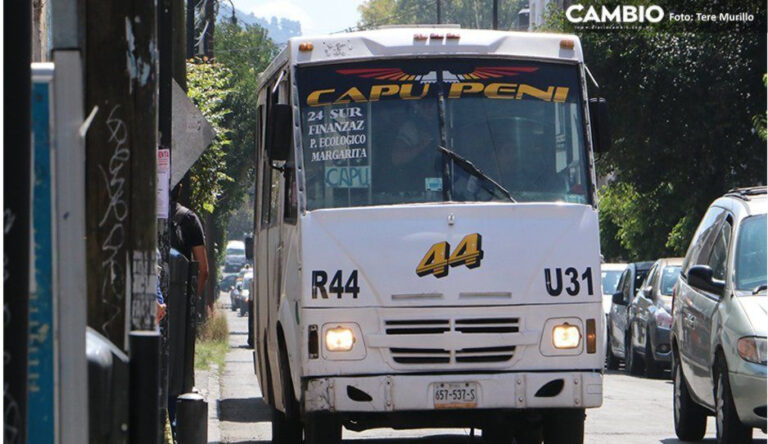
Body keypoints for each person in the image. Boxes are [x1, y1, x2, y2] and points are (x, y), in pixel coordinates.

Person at [167, 182, 209, 438]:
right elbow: (203, 269)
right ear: (180, 187)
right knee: (180, 372)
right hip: (179, 311)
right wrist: (192, 304)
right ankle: (175, 425)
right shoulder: (188, 219)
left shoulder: (144, 215)